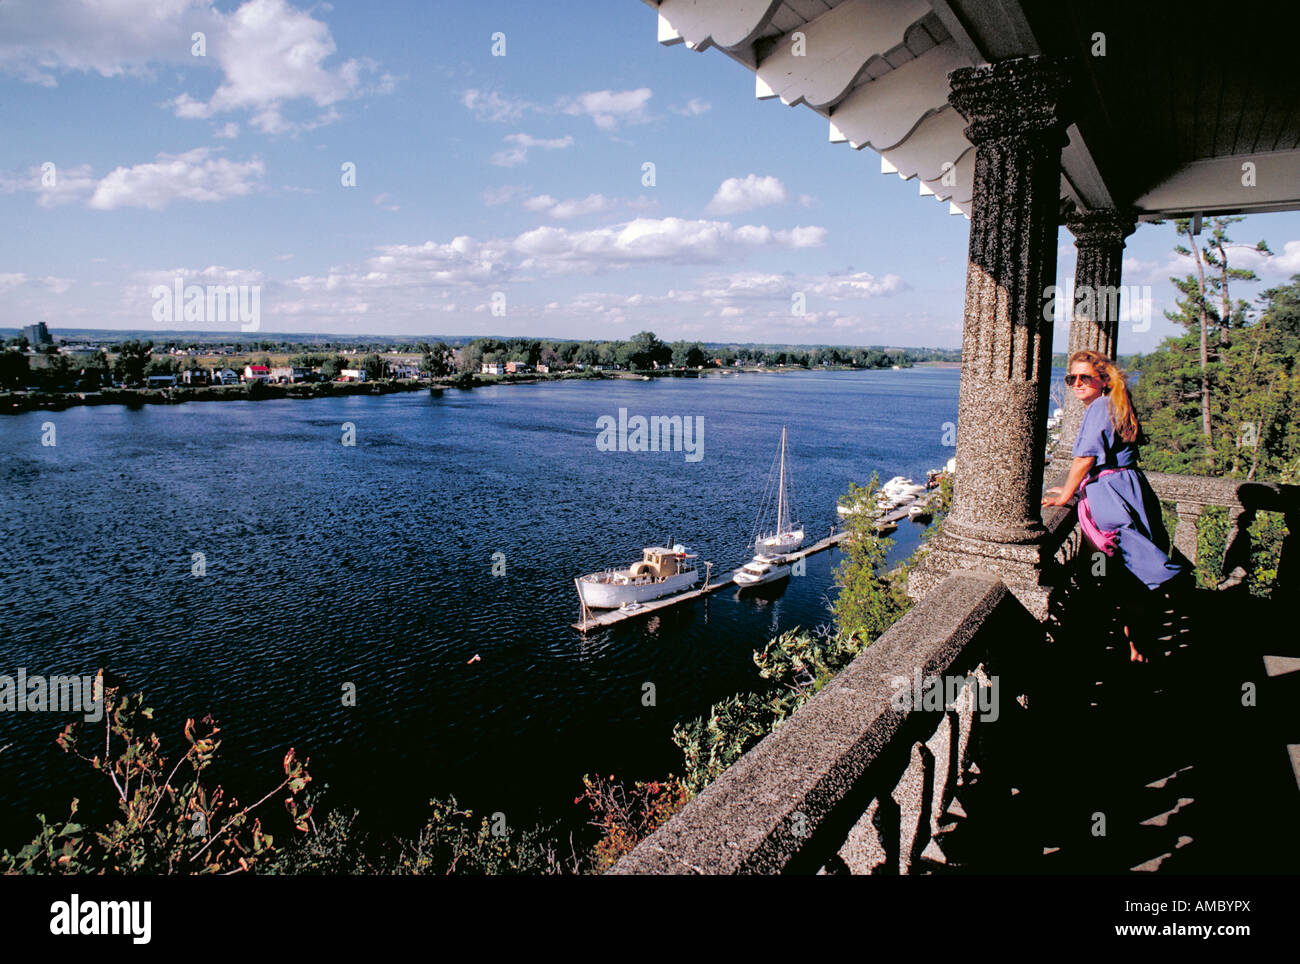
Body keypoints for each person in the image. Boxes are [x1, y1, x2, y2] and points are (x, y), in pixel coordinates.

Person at [1042, 349, 1188, 662]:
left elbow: (1086, 458)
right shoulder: (1112, 404)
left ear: (1103, 381)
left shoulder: (1100, 407)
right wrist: (1075, 486)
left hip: (1114, 498)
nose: (1078, 383)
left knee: (1125, 575)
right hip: (1129, 490)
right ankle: (1138, 646)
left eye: (1085, 378)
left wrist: (1067, 494)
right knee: (1131, 576)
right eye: (1072, 378)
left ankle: (1139, 649)